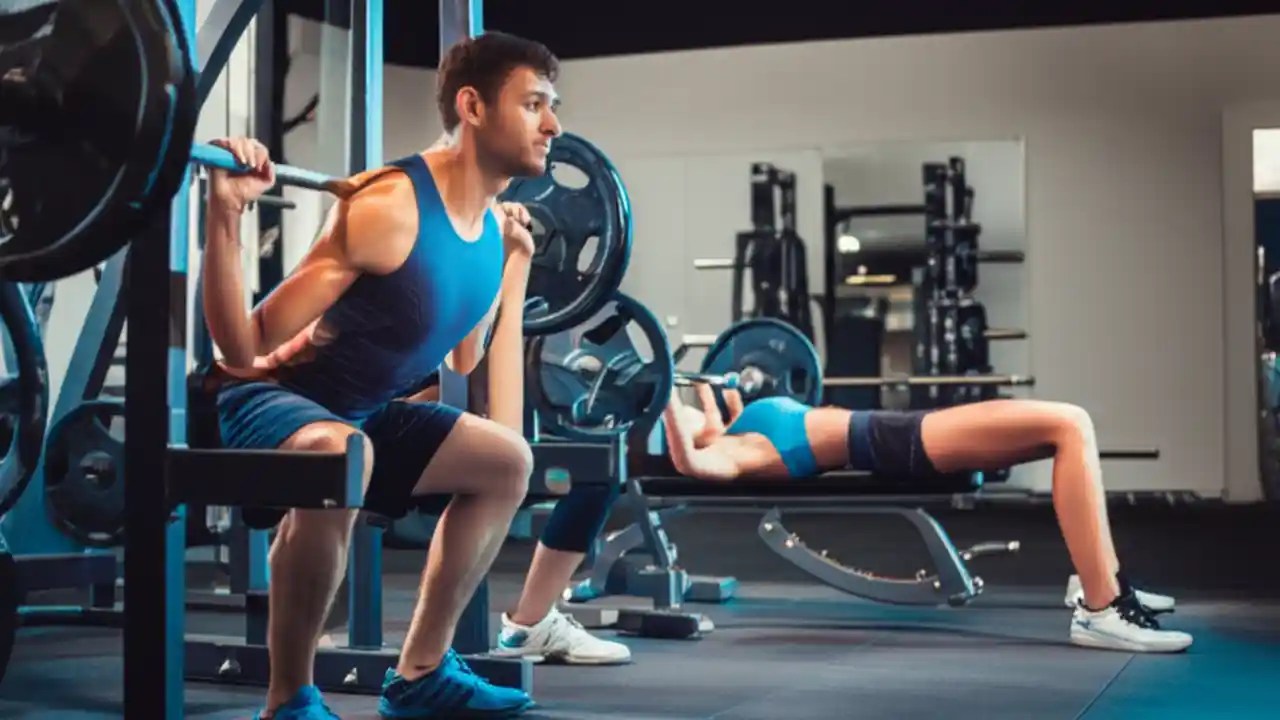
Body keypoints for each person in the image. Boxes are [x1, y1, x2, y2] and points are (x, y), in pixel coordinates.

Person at [202, 31, 579, 720]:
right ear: (472, 106)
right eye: (533, 104)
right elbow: (242, 347)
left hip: (362, 411)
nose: (552, 125)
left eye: (551, 107)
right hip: (267, 397)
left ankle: (421, 675)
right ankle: (289, 700)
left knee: (506, 463)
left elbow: (465, 362)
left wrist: (516, 265)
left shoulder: (489, 230)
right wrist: (225, 211)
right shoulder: (388, 207)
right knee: (343, 453)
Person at [659, 384, 1193, 654]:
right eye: (676, 413)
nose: (687, 410)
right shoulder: (738, 451)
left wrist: (690, 389)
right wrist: (663, 400)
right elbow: (692, 463)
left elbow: (704, 407)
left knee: (1069, 425)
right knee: (1069, 425)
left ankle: (1105, 581)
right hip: (898, 443)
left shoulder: (733, 424)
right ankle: (1102, 611)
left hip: (898, 430)